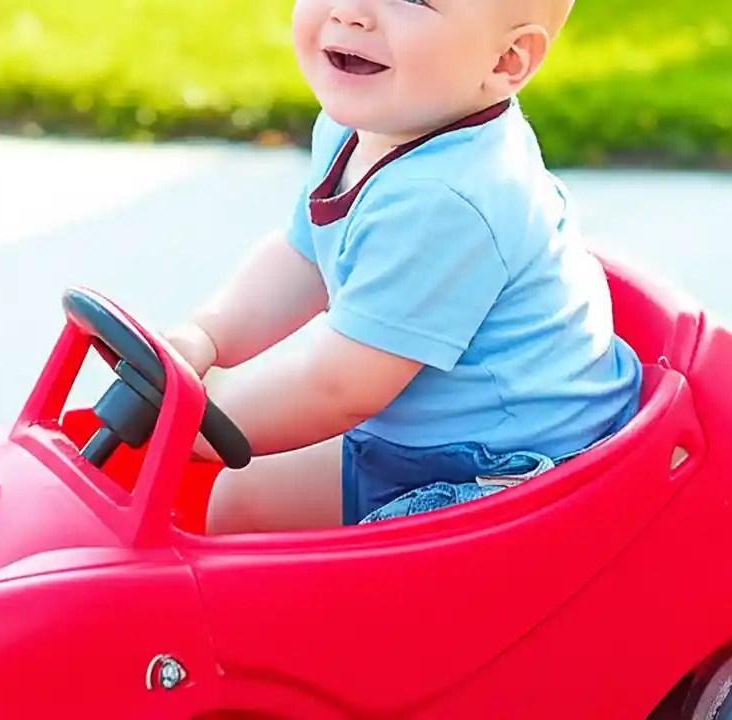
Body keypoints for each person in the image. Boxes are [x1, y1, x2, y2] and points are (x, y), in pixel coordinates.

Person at [164, 0, 641, 534]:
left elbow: (339, 389)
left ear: (506, 59)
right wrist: (208, 335)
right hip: (435, 433)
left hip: (506, 473)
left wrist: (201, 426)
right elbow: (305, 256)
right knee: (242, 499)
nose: (351, 12)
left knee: (338, 547)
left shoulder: (446, 199)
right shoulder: (366, 124)